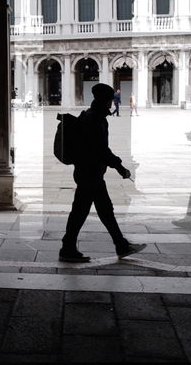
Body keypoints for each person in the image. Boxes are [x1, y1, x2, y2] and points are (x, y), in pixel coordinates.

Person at [59, 83, 146, 263]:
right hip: (90, 173)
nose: (112, 103)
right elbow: (100, 150)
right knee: (82, 211)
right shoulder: (95, 119)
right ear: (106, 100)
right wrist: (120, 167)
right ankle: (68, 248)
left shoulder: (91, 116)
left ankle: (120, 244)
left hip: (90, 172)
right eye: (111, 99)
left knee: (104, 210)